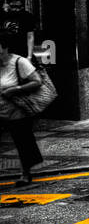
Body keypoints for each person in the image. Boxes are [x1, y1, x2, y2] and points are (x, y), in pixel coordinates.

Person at [0, 31, 45, 185]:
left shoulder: (19, 62)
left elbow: (37, 81)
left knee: (22, 142)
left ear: (4, 47)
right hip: (1, 111)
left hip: (17, 111)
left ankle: (25, 174)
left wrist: (15, 89)